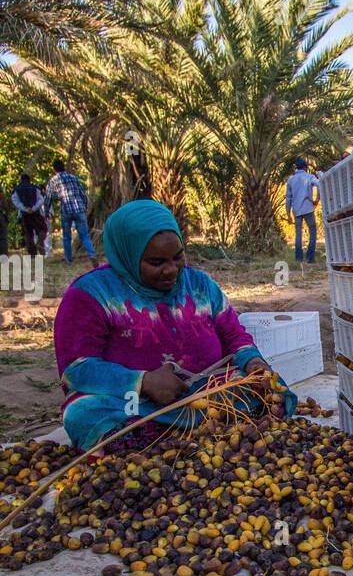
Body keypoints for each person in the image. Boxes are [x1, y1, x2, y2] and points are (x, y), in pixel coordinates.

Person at [53, 199, 293, 450]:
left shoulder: (200, 284)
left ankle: (188, 434)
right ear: (128, 255)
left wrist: (252, 361)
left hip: (207, 395)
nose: (171, 270)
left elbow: (235, 336)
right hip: (135, 403)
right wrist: (142, 382)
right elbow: (77, 369)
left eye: (178, 257)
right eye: (156, 263)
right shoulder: (90, 294)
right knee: (84, 413)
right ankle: (183, 435)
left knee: (263, 388)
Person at [42, 158, 98, 267]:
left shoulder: (53, 180)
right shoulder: (74, 177)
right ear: (64, 167)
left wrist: (46, 212)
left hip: (66, 210)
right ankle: (92, 254)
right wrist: (85, 207)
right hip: (79, 209)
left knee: (67, 236)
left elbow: (48, 198)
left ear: (54, 169)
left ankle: (68, 260)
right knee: (85, 235)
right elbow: (83, 194)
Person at [285, 157, 318, 263]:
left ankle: (298, 258)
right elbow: (320, 185)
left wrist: (288, 213)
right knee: (312, 231)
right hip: (308, 208)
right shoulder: (310, 177)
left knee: (298, 234)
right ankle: (310, 257)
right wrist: (316, 199)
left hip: (296, 210)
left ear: (296, 168)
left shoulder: (290, 179)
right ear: (305, 167)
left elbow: (288, 197)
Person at [11, 174, 48, 258]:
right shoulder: (35, 188)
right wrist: (34, 208)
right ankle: (40, 242)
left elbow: (15, 201)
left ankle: (32, 254)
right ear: (29, 180)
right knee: (43, 229)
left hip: (24, 215)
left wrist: (25, 209)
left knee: (28, 234)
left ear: (21, 180)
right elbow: (41, 199)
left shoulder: (16, 189)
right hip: (36, 213)